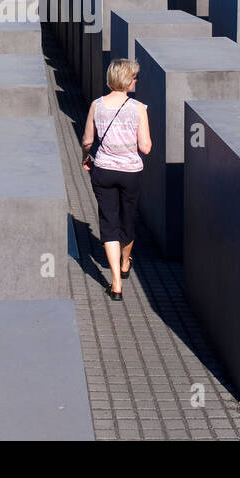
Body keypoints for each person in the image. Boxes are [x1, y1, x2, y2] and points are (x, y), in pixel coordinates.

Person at [81, 58, 152, 301]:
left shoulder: (97, 105)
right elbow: (146, 147)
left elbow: (87, 141)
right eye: (134, 77)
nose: (136, 81)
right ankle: (125, 262)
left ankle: (116, 284)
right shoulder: (139, 108)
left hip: (103, 170)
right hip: (131, 173)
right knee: (127, 219)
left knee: (109, 222)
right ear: (126, 80)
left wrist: (85, 157)